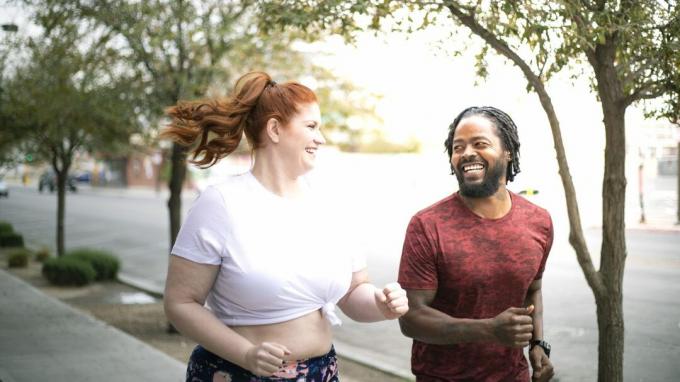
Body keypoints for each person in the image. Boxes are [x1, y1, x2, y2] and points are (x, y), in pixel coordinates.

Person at [162, 71, 409, 382]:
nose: (321, 138)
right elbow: (179, 303)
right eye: (312, 126)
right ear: (275, 129)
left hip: (321, 373)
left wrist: (380, 305)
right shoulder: (221, 203)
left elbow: (352, 292)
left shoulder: (329, 204)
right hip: (237, 373)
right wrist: (246, 354)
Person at [397, 106, 554, 381]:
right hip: (442, 376)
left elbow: (532, 290)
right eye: (458, 147)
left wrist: (537, 344)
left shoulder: (538, 221)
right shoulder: (427, 225)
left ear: (508, 152)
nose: (467, 152)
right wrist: (488, 329)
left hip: (513, 375)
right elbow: (411, 318)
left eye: (480, 143)